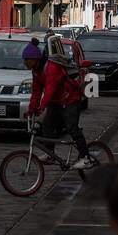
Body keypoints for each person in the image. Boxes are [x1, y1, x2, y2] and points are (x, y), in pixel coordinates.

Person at [22, 38, 89, 170]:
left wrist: (41, 107)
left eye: (26, 60)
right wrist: (32, 108)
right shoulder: (36, 71)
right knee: (47, 125)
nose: (24, 63)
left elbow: (50, 89)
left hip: (70, 99)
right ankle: (50, 155)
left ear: (35, 59)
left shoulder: (51, 67)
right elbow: (36, 91)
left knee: (71, 128)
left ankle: (85, 157)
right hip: (56, 101)